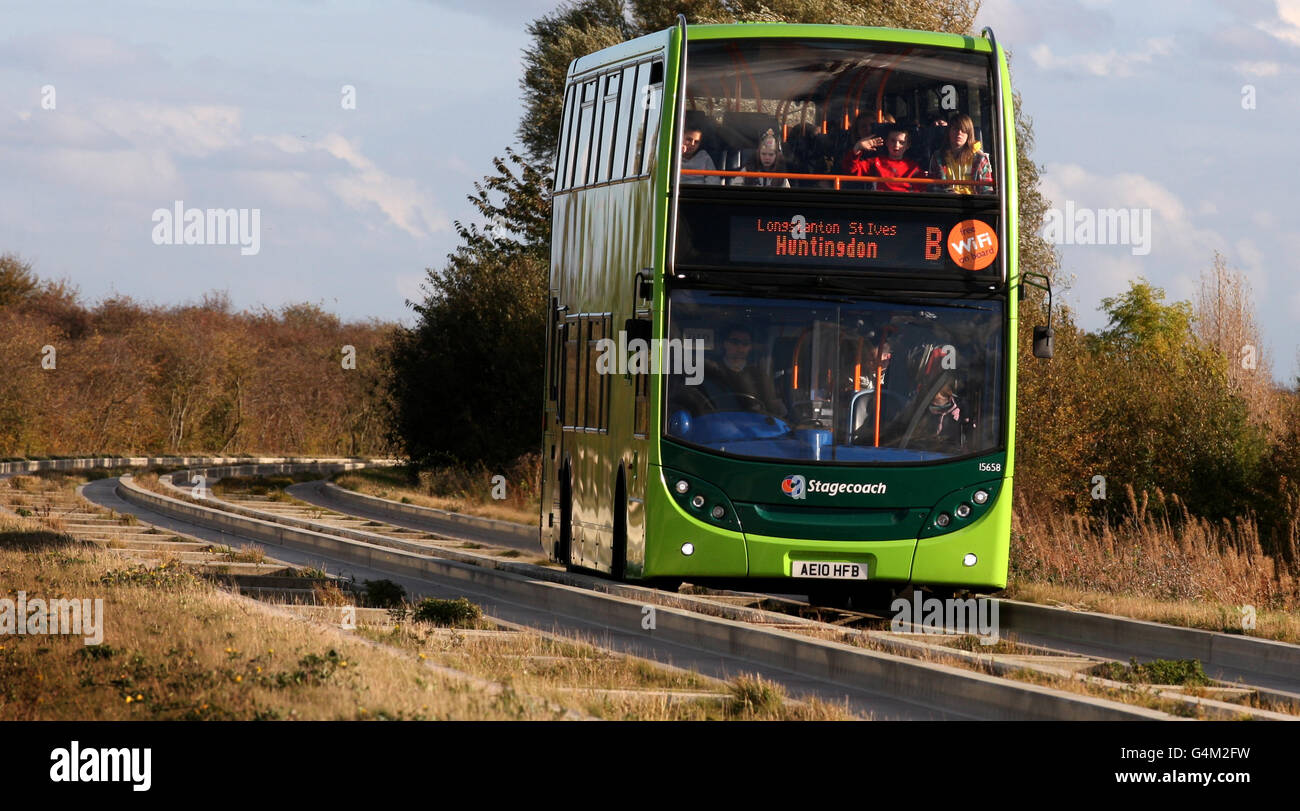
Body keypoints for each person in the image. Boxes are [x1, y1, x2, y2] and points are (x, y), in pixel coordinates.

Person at [703, 325, 787, 417]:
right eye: (735, 342)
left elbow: (772, 406)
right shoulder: (711, 371)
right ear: (725, 343)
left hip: (752, 425)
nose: (740, 347)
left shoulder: (759, 375)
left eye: (745, 343)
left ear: (750, 347)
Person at [927, 113, 993, 195]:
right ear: (948, 132)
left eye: (964, 130)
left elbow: (987, 190)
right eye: (955, 129)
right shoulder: (937, 157)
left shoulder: (980, 159)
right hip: (945, 204)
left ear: (969, 134)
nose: (959, 133)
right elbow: (932, 188)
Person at [849, 127, 925, 192]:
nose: (896, 145)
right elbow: (852, 170)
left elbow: (920, 191)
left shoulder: (913, 168)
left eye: (901, 142)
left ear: (907, 145)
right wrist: (857, 147)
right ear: (887, 142)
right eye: (893, 141)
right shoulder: (876, 162)